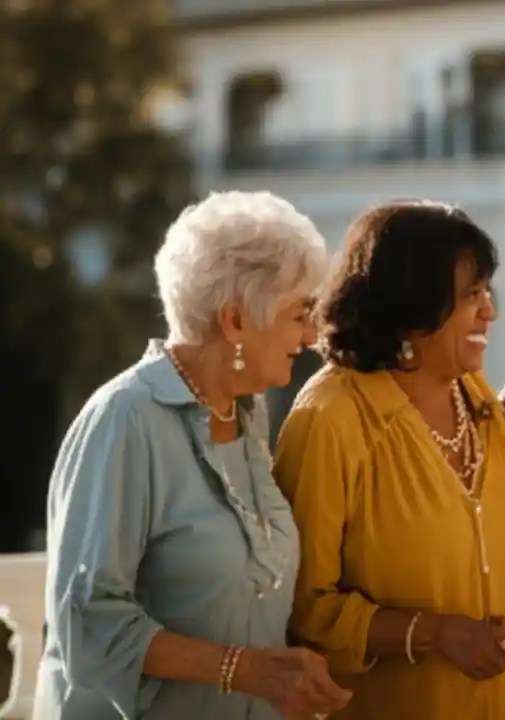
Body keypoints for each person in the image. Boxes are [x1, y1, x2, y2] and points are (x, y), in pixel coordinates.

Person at [36, 191, 351, 719]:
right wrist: (243, 670)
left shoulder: (247, 413)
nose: (312, 334)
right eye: (299, 313)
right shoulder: (124, 420)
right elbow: (90, 623)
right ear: (234, 322)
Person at [273, 200, 505, 719]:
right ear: (412, 312)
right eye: (471, 296)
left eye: (488, 292)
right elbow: (302, 607)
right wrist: (434, 633)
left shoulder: (479, 398)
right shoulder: (331, 417)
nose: (491, 312)